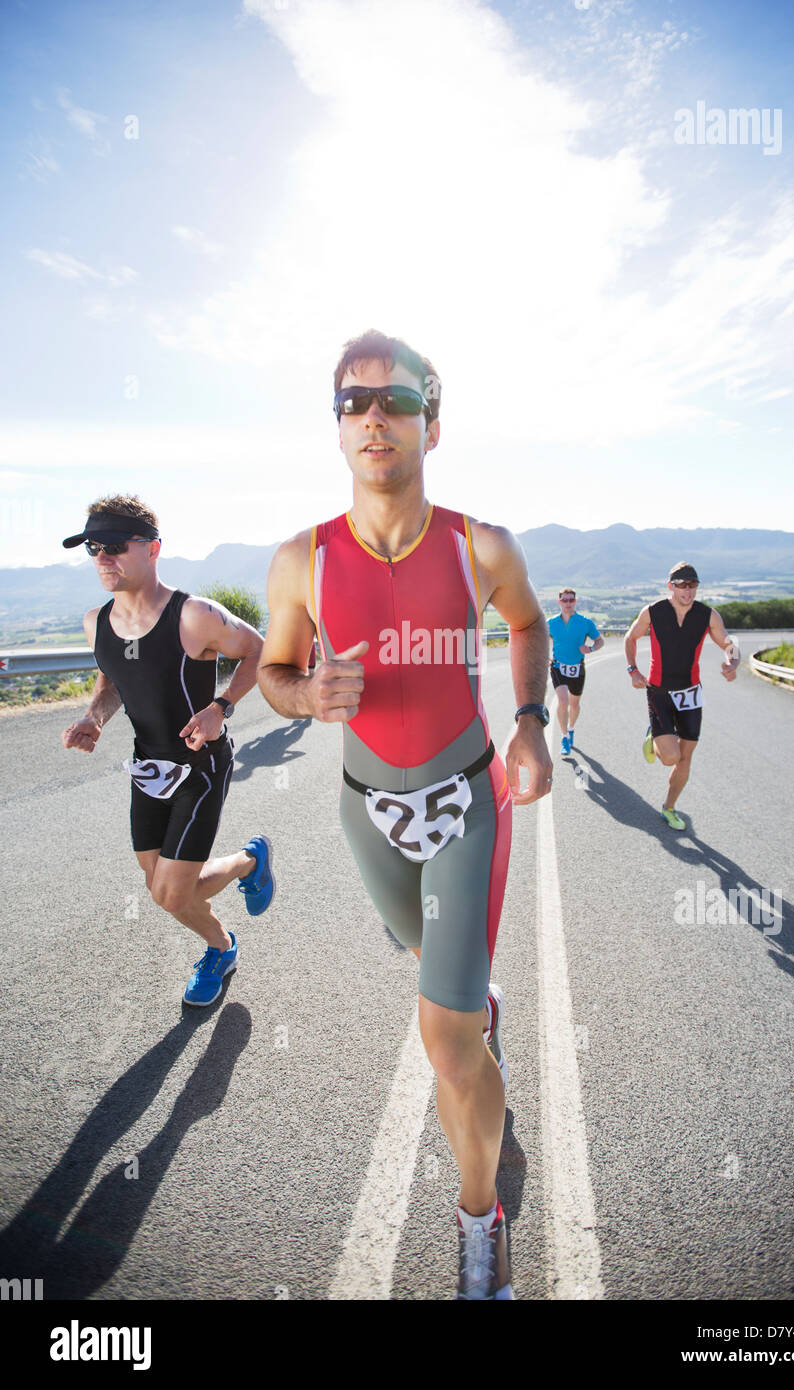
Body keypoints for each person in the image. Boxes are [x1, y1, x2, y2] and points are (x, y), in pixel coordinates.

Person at [257, 330, 552, 1300]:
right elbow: (272, 671)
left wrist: (526, 723)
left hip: (468, 800)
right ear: (336, 425)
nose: (373, 416)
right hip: (364, 814)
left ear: (433, 417)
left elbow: (526, 624)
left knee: (444, 1040)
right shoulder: (301, 558)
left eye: (394, 399)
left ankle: (480, 1233)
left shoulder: (480, 546)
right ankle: (478, 1004)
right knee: (428, 969)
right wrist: (303, 697)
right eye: (353, 402)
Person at [61, 495, 275, 1005]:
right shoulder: (97, 621)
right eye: (93, 548)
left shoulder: (194, 615)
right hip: (149, 767)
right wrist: (93, 718)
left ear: (153, 549)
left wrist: (220, 706)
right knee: (159, 882)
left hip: (201, 764)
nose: (102, 558)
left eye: (114, 545)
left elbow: (259, 649)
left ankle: (226, 931)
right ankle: (244, 874)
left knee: (171, 894)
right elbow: (113, 678)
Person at [624, 562, 739, 830]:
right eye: (682, 586)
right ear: (671, 587)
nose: (688, 591)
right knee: (670, 758)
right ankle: (653, 737)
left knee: (686, 758)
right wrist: (633, 671)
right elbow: (630, 638)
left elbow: (728, 643)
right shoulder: (653, 611)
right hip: (659, 691)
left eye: (692, 586)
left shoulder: (708, 615)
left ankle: (669, 807)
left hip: (690, 693)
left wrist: (733, 662)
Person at [547, 588, 604, 755]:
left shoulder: (585, 622)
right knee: (563, 701)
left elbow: (600, 641)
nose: (568, 603)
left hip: (577, 668)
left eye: (571, 600)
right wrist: (545, 657)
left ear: (575, 602)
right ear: (559, 602)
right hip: (558, 667)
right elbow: (539, 639)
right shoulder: (551, 623)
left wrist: (592, 648)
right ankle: (564, 737)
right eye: (564, 600)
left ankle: (571, 729)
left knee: (574, 704)